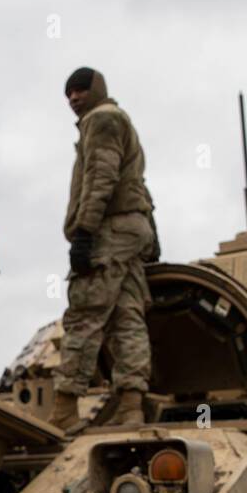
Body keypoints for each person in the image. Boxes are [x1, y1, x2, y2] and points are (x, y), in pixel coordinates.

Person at [52, 67, 161, 431]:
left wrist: (84, 232)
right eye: (68, 94)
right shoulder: (117, 119)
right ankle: (131, 405)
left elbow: (102, 176)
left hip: (109, 230)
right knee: (126, 317)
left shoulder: (101, 120)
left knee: (85, 313)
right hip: (131, 231)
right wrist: (151, 233)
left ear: (97, 90)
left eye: (81, 90)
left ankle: (66, 408)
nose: (74, 98)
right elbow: (137, 183)